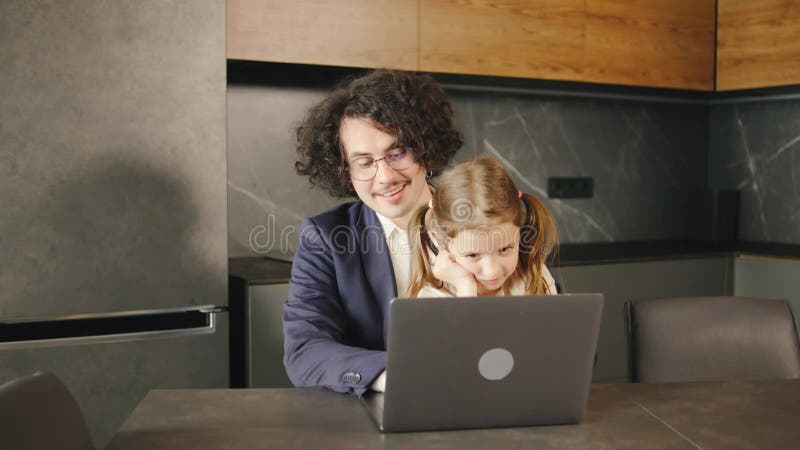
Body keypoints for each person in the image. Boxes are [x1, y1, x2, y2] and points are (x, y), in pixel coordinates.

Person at [283, 70, 463, 396]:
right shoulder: (324, 238)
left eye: (398, 153)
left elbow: (551, 330)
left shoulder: (489, 218)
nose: (385, 177)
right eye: (364, 162)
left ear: (425, 148)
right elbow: (304, 351)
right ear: (345, 171)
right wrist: (391, 375)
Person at [407, 156, 559, 299]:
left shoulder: (535, 279)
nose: (492, 271)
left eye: (505, 249)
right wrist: (466, 287)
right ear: (442, 241)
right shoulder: (431, 297)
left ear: (519, 233)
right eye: (472, 255)